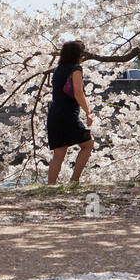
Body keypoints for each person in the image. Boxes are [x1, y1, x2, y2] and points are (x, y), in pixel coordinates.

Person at [46, 40, 94, 184]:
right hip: (68, 114)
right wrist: (88, 112)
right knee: (88, 145)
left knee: (59, 154)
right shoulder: (76, 69)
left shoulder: (57, 70)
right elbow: (78, 92)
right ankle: (74, 181)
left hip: (54, 114)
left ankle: (50, 186)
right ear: (78, 55)